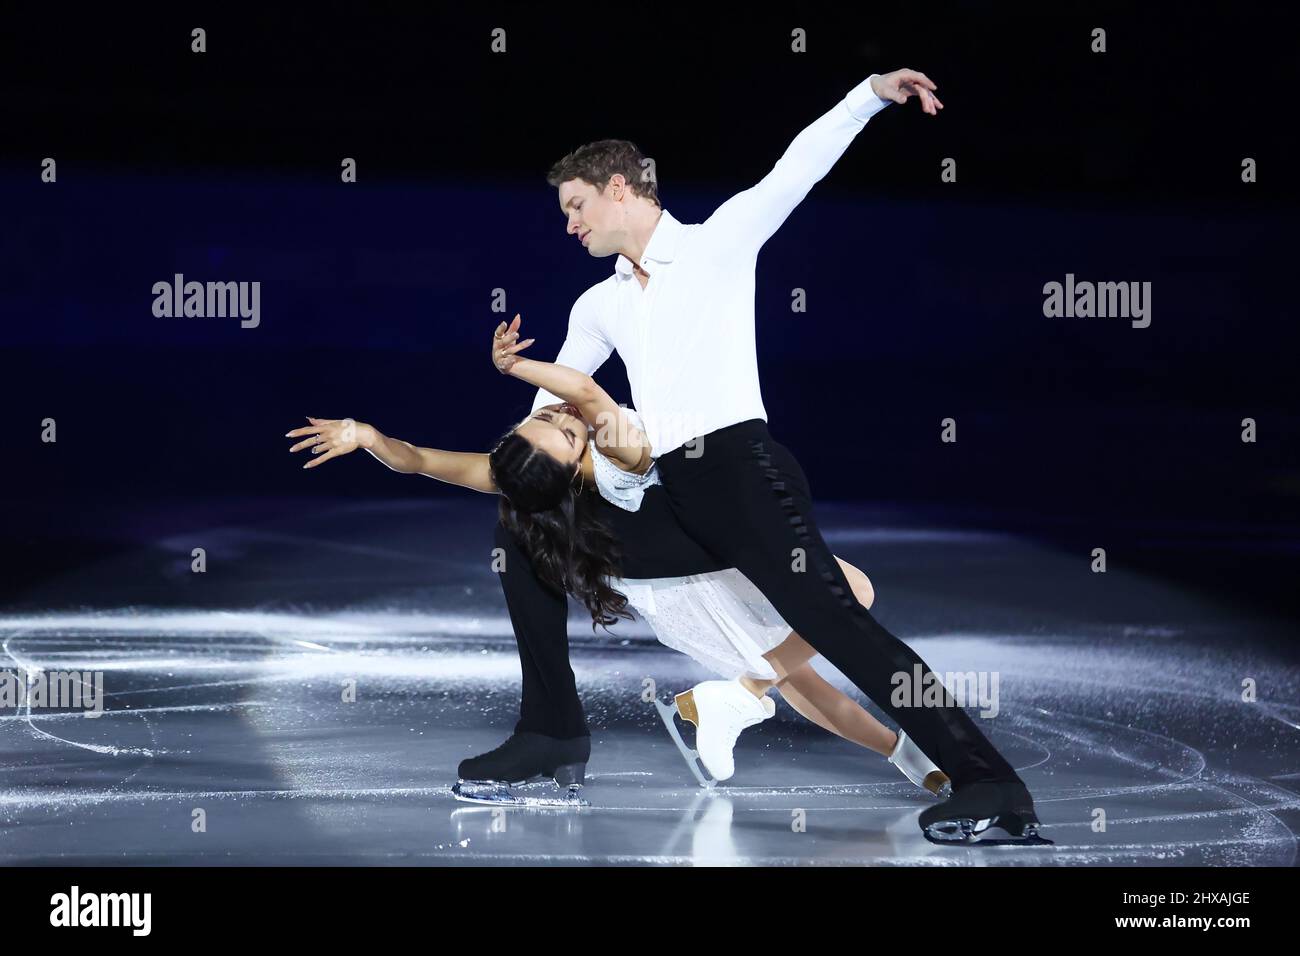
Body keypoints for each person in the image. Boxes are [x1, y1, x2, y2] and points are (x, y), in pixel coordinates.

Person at [522, 66, 1047, 844]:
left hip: (741, 476)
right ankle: (549, 733)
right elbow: (550, 404)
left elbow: (798, 164)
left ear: (622, 189)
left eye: (576, 205)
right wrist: (515, 461)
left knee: (842, 627)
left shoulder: (718, 244)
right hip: (673, 496)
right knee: (529, 536)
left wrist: (869, 93)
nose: (568, 223)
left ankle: (991, 784)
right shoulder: (598, 303)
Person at [282, 322, 950, 802]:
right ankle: (741, 695)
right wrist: (517, 369)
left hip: (684, 595)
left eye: (549, 417)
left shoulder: (520, 475)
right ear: (577, 466)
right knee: (848, 592)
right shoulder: (620, 461)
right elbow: (593, 395)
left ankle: (900, 753)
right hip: (705, 579)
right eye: (565, 430)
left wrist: (371, 438)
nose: (567, 415)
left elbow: (421, 459)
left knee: (805, 684)